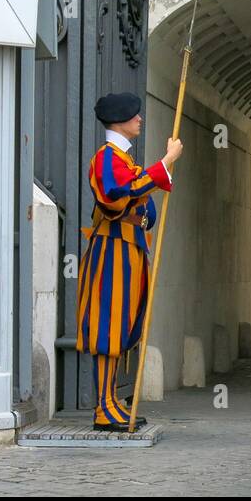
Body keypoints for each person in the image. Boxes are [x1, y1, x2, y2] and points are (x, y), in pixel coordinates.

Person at [76, 91, 183, 431]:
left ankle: (111, 401)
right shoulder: (107, 159)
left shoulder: (122, 160)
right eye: (134, 115)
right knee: (108, 326)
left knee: (123, 326)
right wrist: (165, 162)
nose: (140, 119)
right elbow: (117, 196)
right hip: (112, 250)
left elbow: (140, 200)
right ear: (121, 120)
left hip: (129, 249)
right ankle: (103, 407)